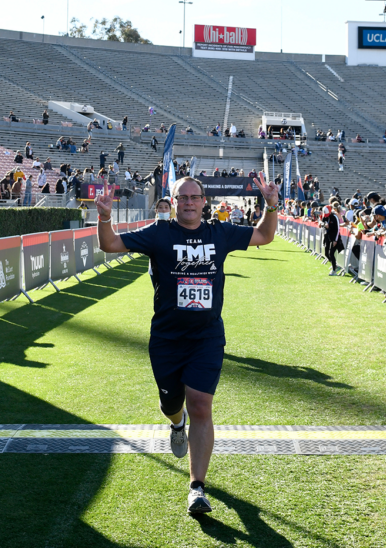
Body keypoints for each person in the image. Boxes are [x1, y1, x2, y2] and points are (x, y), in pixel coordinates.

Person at [95, 174, 279, 515]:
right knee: (172, 406)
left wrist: (271, 205)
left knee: (200, 406)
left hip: (206, 337)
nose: (190, 202)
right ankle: (175, 424)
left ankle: (196, 487)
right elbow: (110, 245)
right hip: (166, 339)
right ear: (174, 201)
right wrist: (104, 217)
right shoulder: (159, 233)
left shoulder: (220, 233)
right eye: (184, 198)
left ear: (204, 201)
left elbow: (265, 235)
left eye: (195, 197)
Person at [321, 204, 342, 275]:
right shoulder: (325, 216)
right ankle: (335, 265)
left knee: (331, 253)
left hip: (334, 237)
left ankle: (334, 270)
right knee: (326, 253)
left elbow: (338, 229)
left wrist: (335, 240)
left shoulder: (334, 217)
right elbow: (322, 221)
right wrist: (324, 224)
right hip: (327, 236)